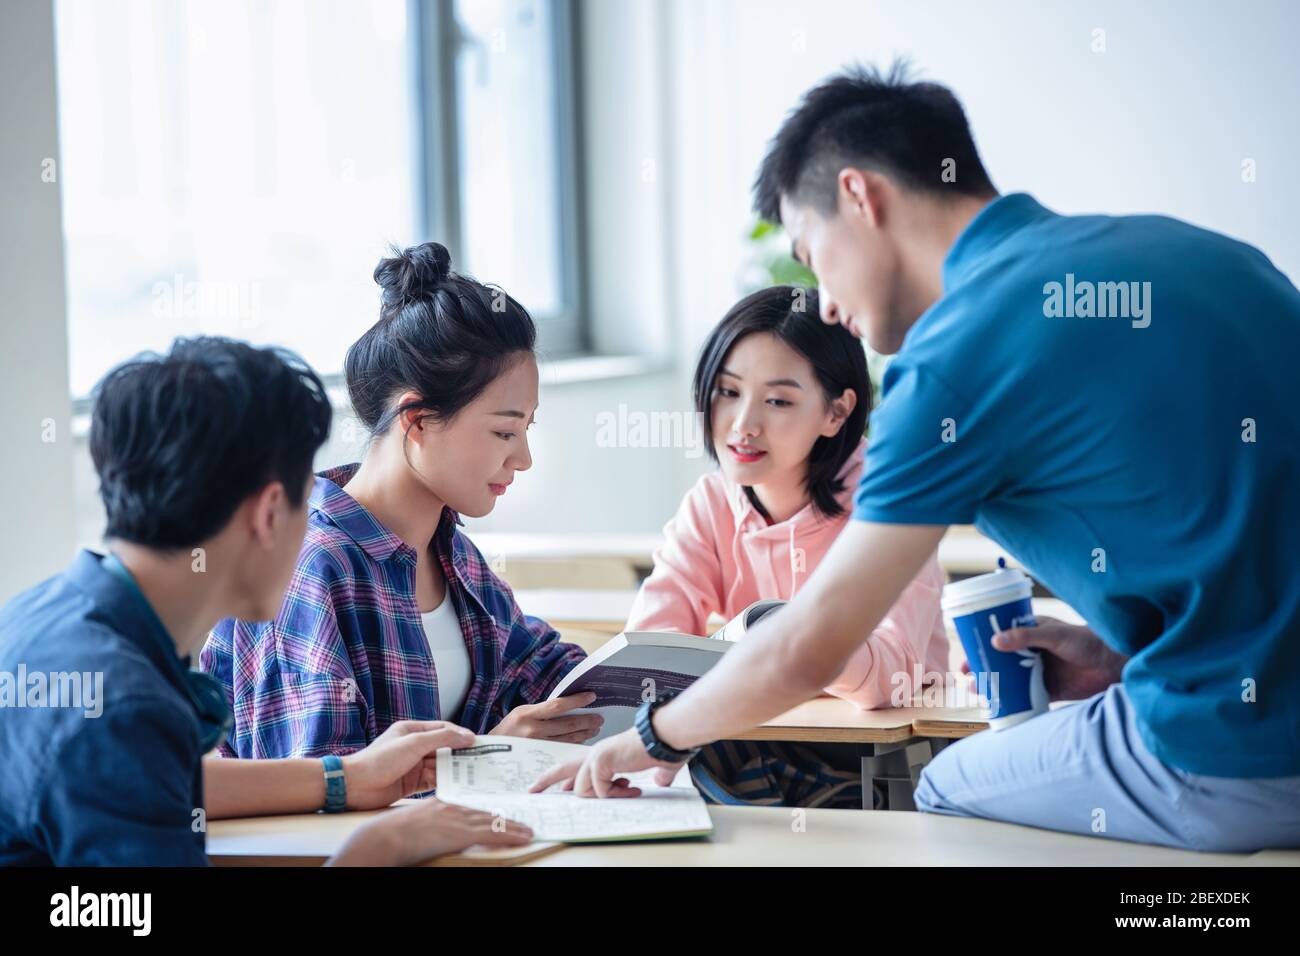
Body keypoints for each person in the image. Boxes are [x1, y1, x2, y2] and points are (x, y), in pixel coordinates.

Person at [532, 62, 1300, 853]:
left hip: (1235, 753)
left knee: (943, 790)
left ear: (860, 199)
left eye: (811, 250)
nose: (824, 300)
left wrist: (654, 739)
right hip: (1249, 710)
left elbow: (811, 644)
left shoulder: (948, 362)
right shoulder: (1207, 256)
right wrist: (1119, 652)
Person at [0, 337, 532, 865]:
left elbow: (176, 778)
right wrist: (379, 849)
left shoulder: (45, 619)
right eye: (308, 499)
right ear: (270, 513)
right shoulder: (123, 709)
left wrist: (345, 779)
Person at [201, 242, 599, 759]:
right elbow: (323, 795)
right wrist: (491, 753)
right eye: (505, 433)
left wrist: (669, 678)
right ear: (417, 420)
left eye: (527, 428)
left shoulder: (454, 555)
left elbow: (544, 673)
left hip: (459, 836)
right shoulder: (311, 567)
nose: (523, 459)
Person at [626, 284, 946, 806]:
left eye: (777, 401)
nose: (743, 425)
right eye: (728, 392)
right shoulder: (712, 503)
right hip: (762, 740)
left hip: (888, 758)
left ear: (837, 413)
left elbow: (894, 675)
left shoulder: (889, 502)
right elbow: (652, 646)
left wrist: (793, 643)